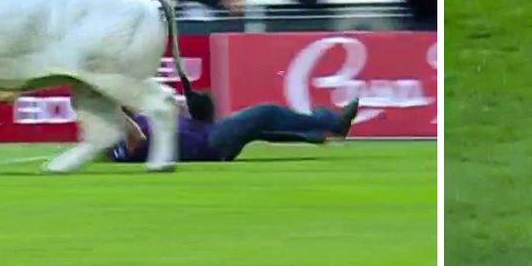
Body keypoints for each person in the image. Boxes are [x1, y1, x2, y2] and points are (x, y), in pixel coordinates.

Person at [107, 98, 361, 164]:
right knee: (265, 113)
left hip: (210, 135)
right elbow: (135, 143)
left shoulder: (142, 116)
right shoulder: (119, 137)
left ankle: (323, 131)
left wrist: (189, 109)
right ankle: (330, 124)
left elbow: (184, 120)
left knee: (265, 125)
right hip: (208, 146)